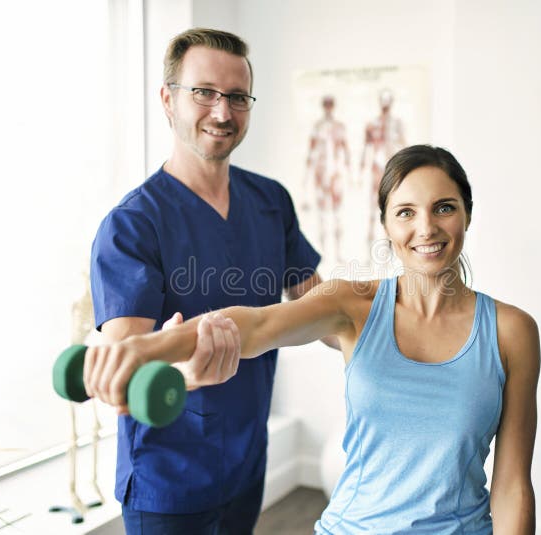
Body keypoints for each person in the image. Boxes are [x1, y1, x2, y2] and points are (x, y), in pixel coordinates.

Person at [86, 144, 540, 533]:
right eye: (406, 212)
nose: (427, 228)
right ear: (386, 226)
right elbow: (259, 324)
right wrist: (141, 348)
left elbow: (513, 483)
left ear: (467, 214)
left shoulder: (511, 331)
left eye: (444, 207)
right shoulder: (352, 303)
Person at [89, 28, 325, 534]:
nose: (222, 112)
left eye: (237, 97)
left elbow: (318, 307)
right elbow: (126, 375)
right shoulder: (133, 225)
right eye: (204, 93)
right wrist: (187, 375)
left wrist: (393, 308)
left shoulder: (270, 202)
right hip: (168, 482)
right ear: (168, 99)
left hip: (245, 464)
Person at [302, 95, 350, 262]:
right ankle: (323, 253)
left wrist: (350, 176)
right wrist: (306, 180)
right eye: (326, 104)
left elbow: (345, 150)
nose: (328, 107)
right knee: (322, 213)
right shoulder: (318, 127)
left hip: (335, 174)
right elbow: (311, 151)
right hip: (321, 173)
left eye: (331, 104)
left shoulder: (339, 127)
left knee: (337, 213)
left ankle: (338, 253)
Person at [360, 88, 406, 247]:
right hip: (377, 167)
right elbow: (366, 147)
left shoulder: (397, 124)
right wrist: (361, 171)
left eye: (388, 101)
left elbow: (403, 143)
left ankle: (389, 244)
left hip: (392, 167)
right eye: (383, 101)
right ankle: (369, 244)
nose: (385, 105)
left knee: (394, 202)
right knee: (374, 204)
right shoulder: (372, 124)